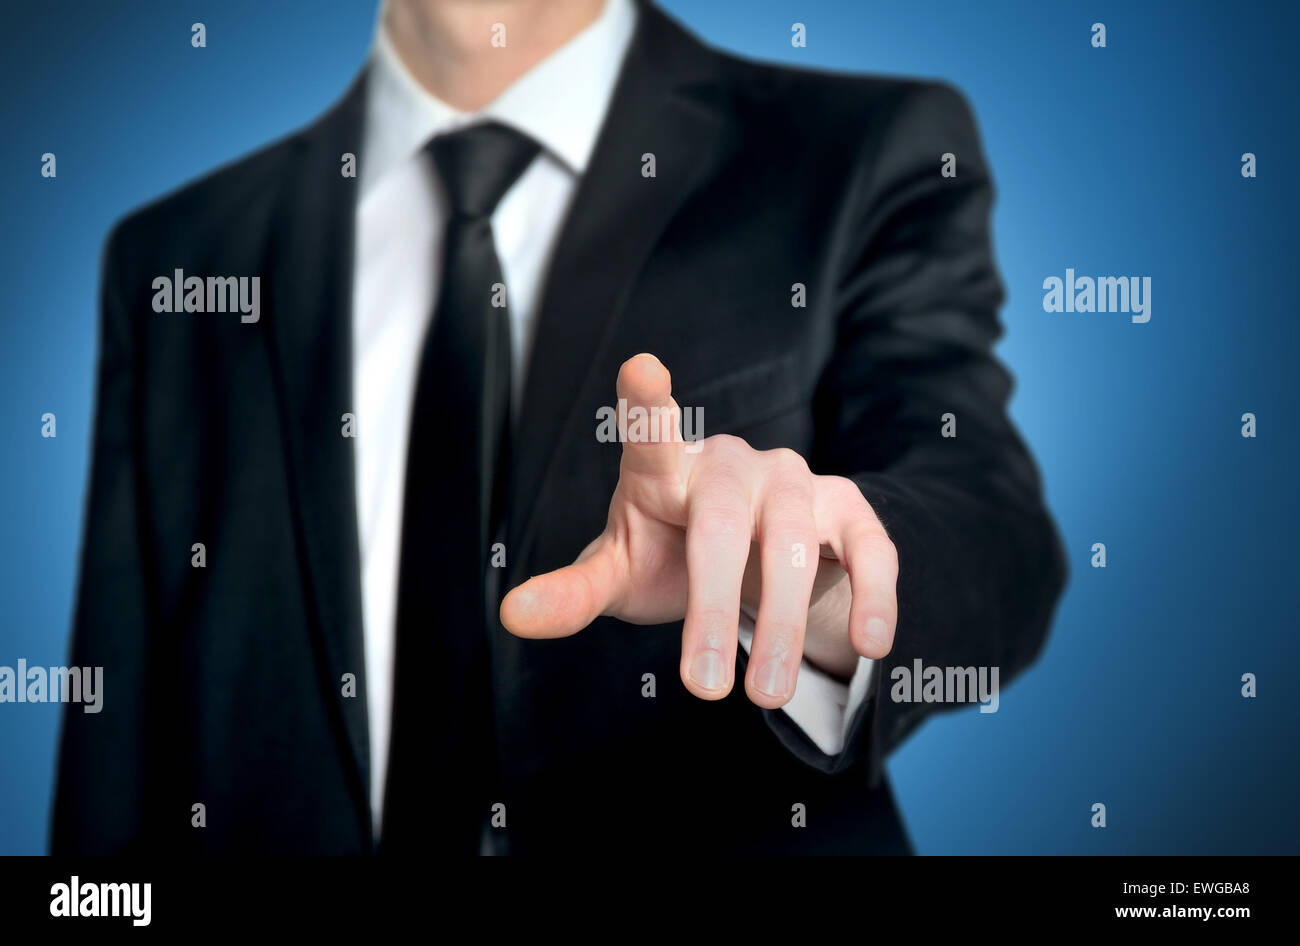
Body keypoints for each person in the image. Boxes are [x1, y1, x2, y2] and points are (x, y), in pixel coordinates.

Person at [52, 0, 1066, 854]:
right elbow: (118, 759)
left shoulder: (856, 152)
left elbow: (991, 528)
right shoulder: (175, 258)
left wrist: (822, 580)